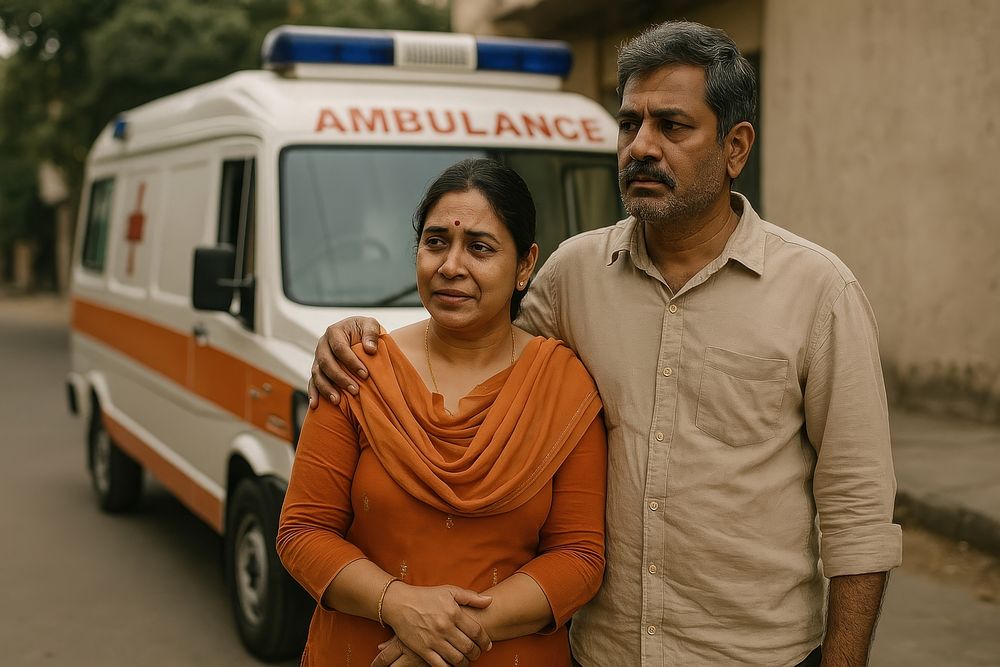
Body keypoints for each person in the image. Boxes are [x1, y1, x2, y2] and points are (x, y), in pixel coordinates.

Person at [310, 21, 902, 667]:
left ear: (736, 147)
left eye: (671, 126)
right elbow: (478, 353)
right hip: (601, 652)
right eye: (629, 125)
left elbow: (858, 515)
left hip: (756, 654)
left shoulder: (818, 292)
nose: (641, 147)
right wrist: (355, 337)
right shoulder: (573, 275)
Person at [277, 158, 607, 667]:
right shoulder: (357, 370)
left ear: (525, 266)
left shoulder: (561, 386)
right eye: (435, 242)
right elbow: (302, 533)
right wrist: (399, 603)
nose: (451, 266)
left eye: (479, 247)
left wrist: (448, 630)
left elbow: (579, 557)